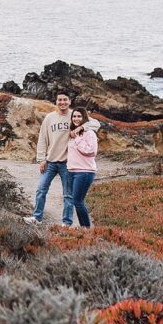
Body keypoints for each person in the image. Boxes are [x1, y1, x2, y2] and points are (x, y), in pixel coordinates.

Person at [25, 91, 75, 225]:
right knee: (41, 190)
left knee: (68, 195)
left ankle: (67, 223)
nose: (62, 102)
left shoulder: (75, 116)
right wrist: (41, 159)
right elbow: (42, 139)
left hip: (68, 163)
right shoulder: (49, 118)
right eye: (60, 100)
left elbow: (93, 126)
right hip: (50, 162)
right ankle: (37, 218)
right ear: (56, 101)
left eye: (65, 100)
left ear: (70, 101)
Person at [66, 107, 100, 228]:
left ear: (84, 118)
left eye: (79, 116)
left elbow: (91, 151)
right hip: (72, 171)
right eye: (74, 116)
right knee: (77, 202)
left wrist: (77, 138)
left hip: (85, 172)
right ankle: (84, 228)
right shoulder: (73, 132)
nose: (76, 119)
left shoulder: (89, 133)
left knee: (78, 201)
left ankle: (87, 228)